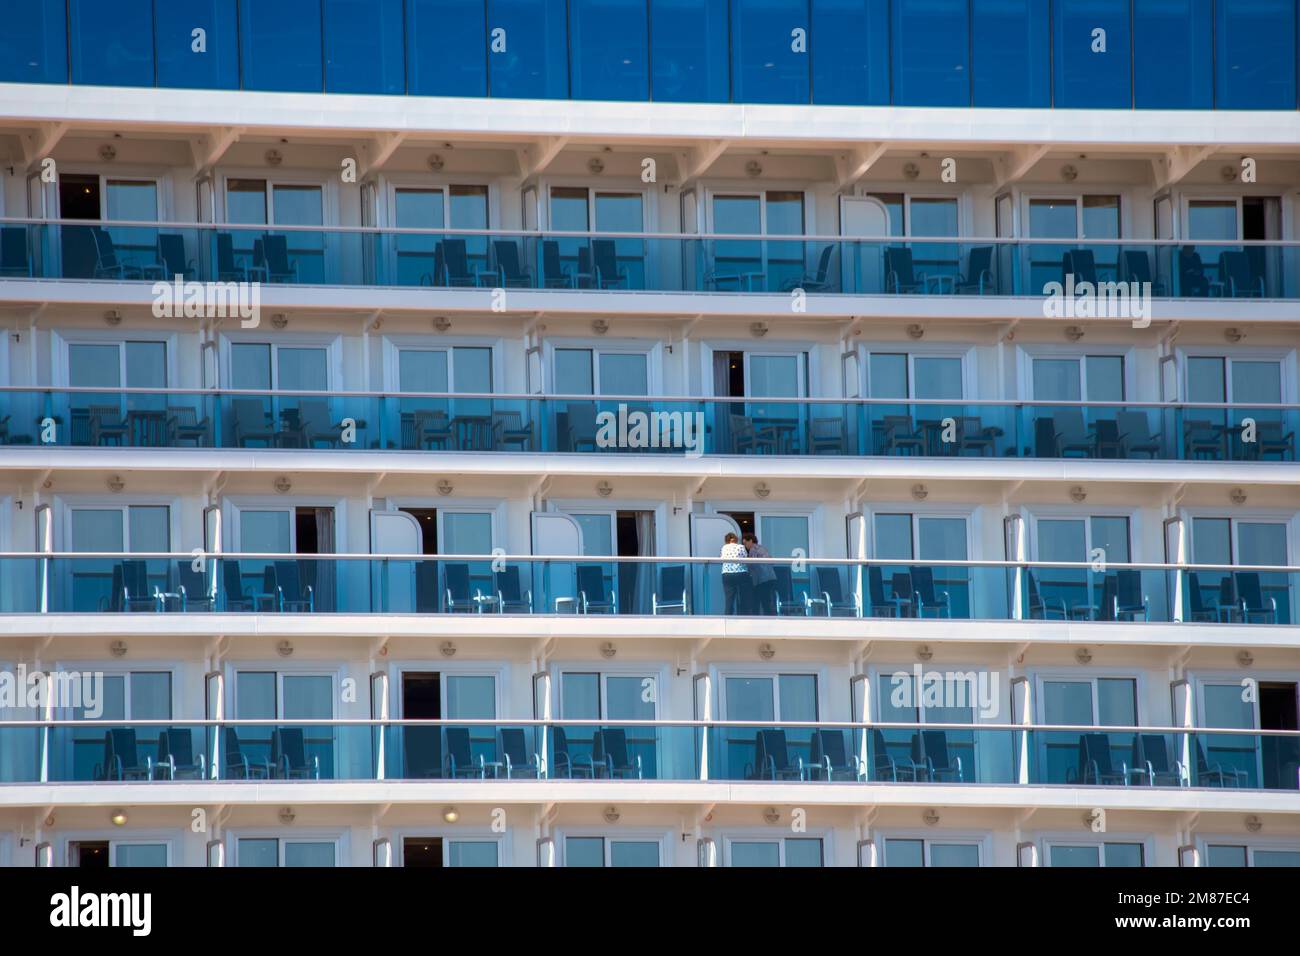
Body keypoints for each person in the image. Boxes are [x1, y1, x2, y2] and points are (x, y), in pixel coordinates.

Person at [743, 532, 776, 616]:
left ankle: (764, 619)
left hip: (761, 579)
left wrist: (745, 563)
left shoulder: (753, 549)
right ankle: (771, 618)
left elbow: (752, 564)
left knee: (760, 601)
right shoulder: (762, 548)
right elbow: (771, 562)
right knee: (768, 601)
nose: (745, 546)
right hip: (770, 577)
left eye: (745, 543)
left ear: (750, 541)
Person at [720, 532, 751, 615]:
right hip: (741, 573)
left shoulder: (724, 547)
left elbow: (722, 559)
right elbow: (745, 558)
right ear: (736, 540)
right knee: (742, 597)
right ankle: (743, 617)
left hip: (727, 573)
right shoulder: (741, 547)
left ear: (727, 540)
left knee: (729, 598)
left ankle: (728, 618)